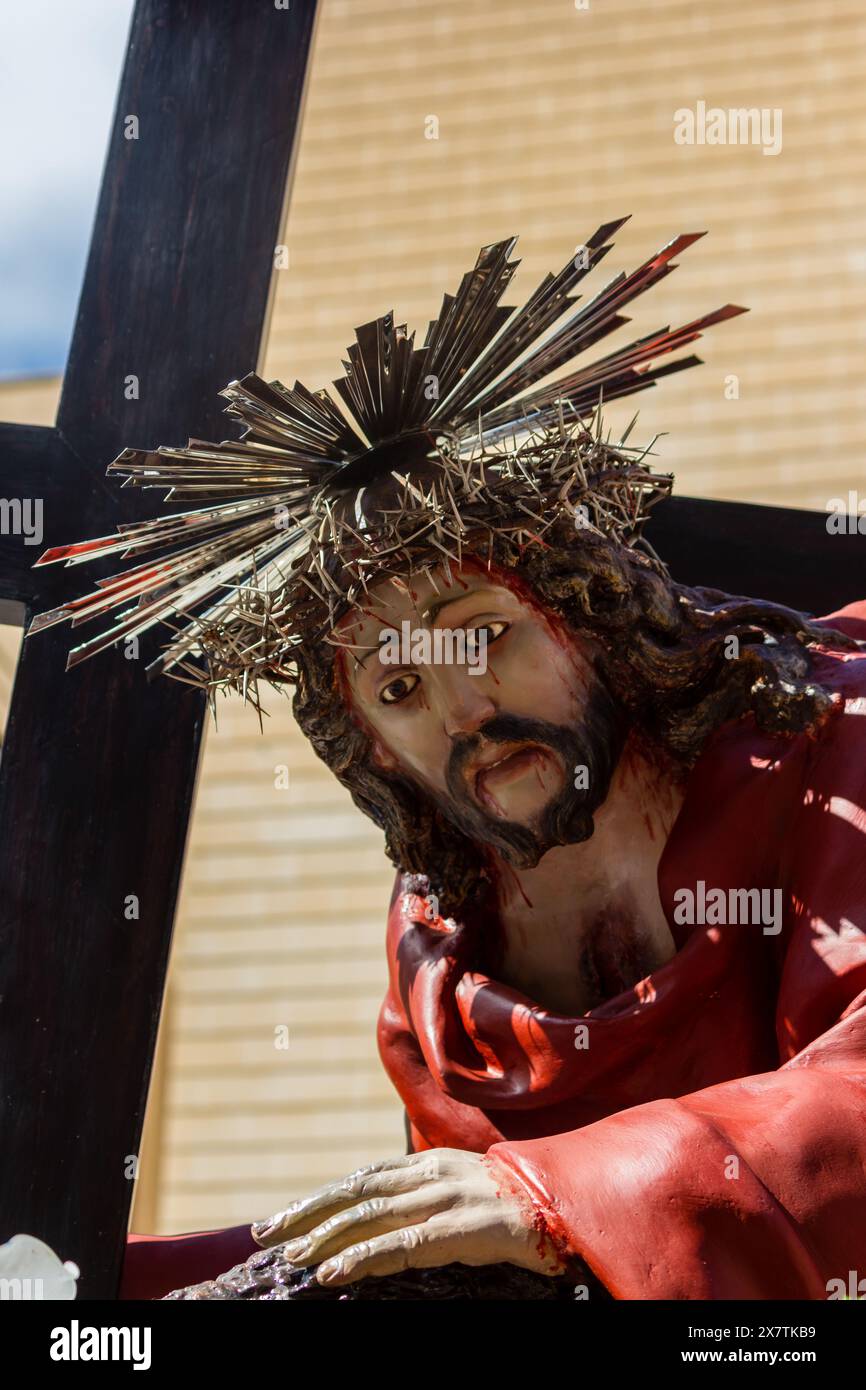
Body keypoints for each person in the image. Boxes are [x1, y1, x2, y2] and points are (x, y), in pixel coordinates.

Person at [33, 224, 866, 1300]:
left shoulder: (827, 730)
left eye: (479, 635)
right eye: (396, 690)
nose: (462, 708)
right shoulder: (443, 960)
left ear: (582, 615)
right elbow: (430, 1253)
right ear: (369, 750)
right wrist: (80, 1283)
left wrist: (566, 1195)